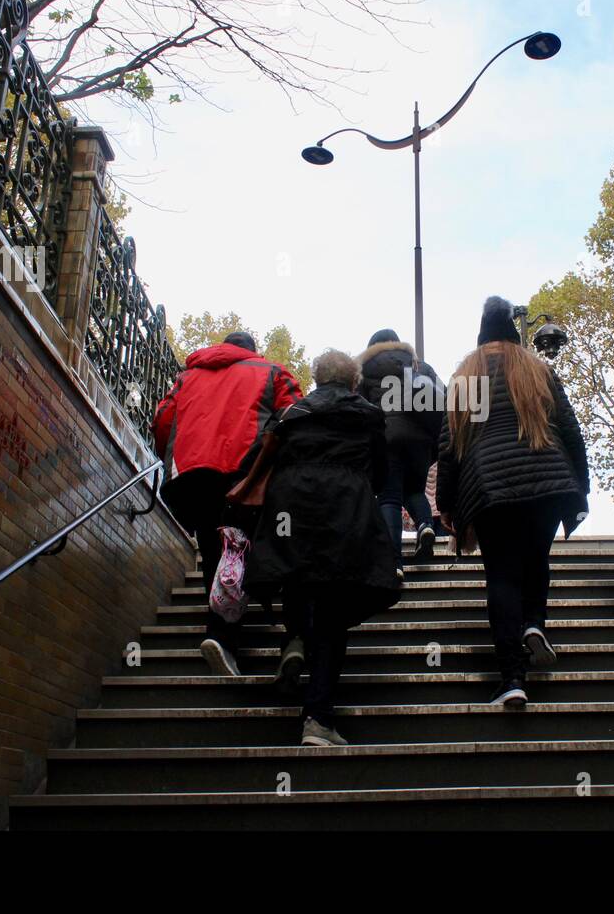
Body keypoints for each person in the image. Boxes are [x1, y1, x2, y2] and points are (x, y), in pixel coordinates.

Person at [436, 297, 590, 708]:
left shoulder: (466, 374)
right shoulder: (537, 368)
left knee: (502, 575)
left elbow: (449, 446)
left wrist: (446, 503)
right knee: (537, 558)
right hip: (547, 479)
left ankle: (512, 678)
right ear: (511, 330)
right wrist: (580, 487)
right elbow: (570, 430)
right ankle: (534, 623)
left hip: (490, 487)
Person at [245, 350, 401, 747]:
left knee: (295, 576)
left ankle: (295, 638)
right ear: (353, 382)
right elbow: (382, 474)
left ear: (315, 379)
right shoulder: (367, 415)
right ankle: (317, 718)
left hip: (290, 504)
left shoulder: (293, 412)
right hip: (344, 508)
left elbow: (262, 458)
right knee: (332, 613)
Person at [151, 331, 303, 676]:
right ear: (253, 350)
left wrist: (172, 456)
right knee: (238, 545)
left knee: (212, 546)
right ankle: (223, 635)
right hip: (243, 472)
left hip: (190, 473)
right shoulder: (272, 371)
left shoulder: (187, 376)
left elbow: (162, 418)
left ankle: (223, 630)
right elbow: (294, 415)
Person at [357, 329, 444, 574]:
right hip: (421, 442)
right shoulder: (421, 366)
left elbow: (358, 408)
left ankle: (394, 561)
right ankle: (426, 525)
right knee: (414, 490)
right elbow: (443, 399)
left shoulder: (365, 369)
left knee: (390, 497)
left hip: (386, 438)